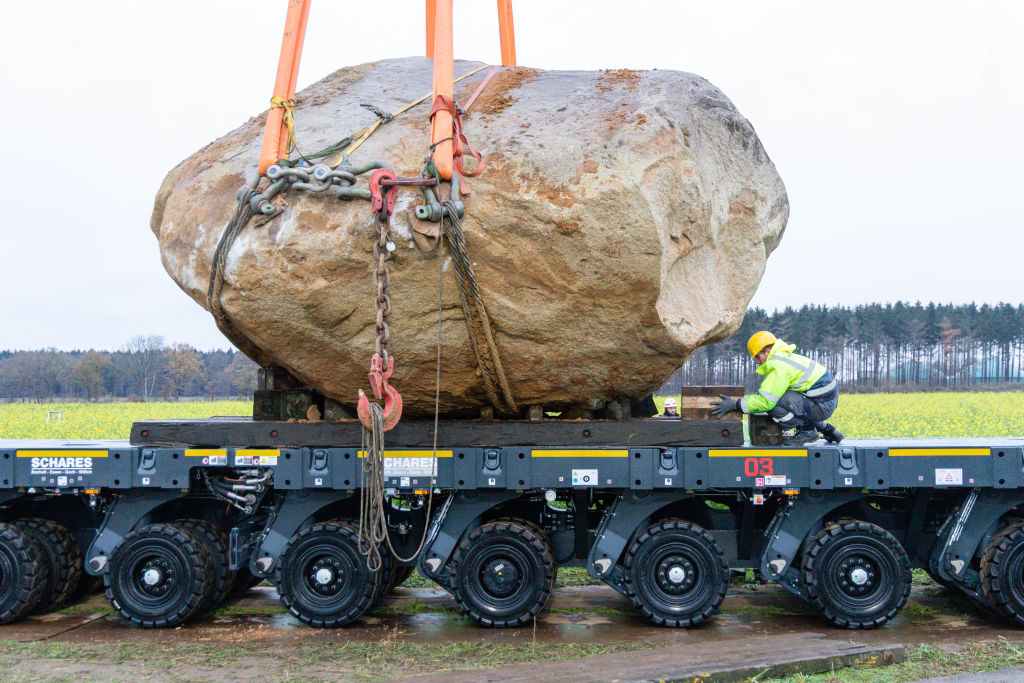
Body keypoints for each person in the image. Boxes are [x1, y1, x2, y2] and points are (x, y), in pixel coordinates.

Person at [711, 331, 844, 445]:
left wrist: (735, 405)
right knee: (781, 398)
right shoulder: (783, 358)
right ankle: (829, 430)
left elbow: (765, 401)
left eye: (758, 356)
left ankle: (807, 431)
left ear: (767, 351)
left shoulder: (778, 366)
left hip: (821, 403)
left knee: (774, 402)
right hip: (824, 400)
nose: (757, 361)